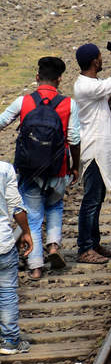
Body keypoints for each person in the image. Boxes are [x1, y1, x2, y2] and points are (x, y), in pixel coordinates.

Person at [0, 56, 77, 281]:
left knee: (32, 216)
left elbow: (2, 122)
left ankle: (35, 266)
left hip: (29, 171)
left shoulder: (22, 102)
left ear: (37, 77)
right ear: (60, 79)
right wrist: (74, 166)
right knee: (55, 207)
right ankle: (53, 246)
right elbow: (74, 137)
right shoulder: (68, 104)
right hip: (58, 169)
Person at [71, 41, 111, 264]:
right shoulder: (86, 86)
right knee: (92, 200)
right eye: (100, 57)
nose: (102, 59)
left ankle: (93, 244)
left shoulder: (93, 84)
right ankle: (85, 248)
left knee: (97, 198)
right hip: (94, 150)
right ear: (96, 61)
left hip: (100, 149)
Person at [0, 155, 32, 355]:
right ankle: (10, 340)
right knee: (7, 292)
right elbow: (17, 207)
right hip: (2, 242)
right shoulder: (4, 169)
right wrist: (26, 231)